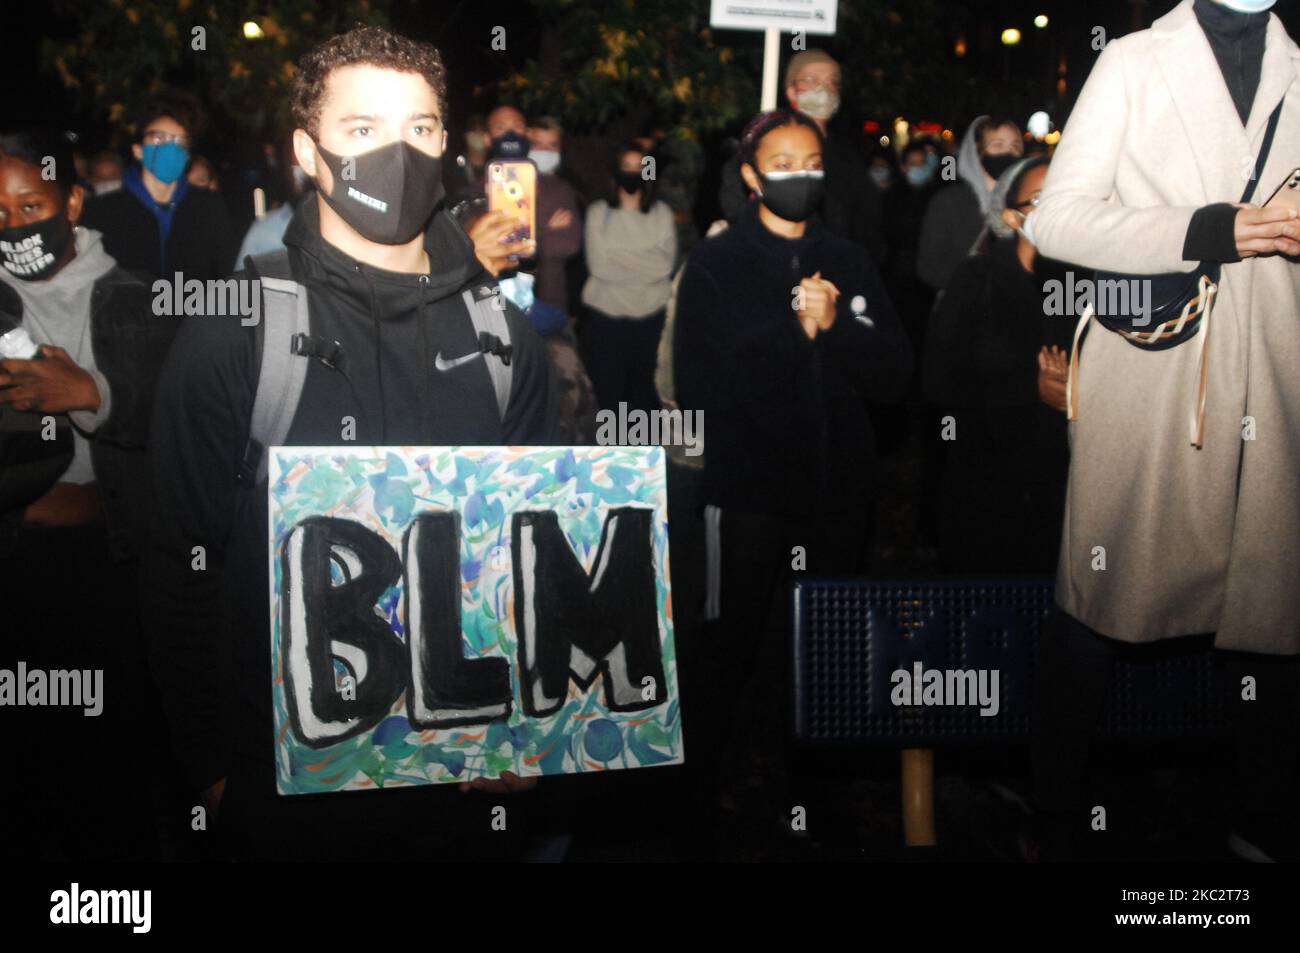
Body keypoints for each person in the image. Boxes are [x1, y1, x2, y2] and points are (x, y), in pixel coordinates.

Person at [141, 26, 560, 862]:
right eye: (362, 130)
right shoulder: (237, 331)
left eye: (421, 128)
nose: (397, 152)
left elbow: (530, 552)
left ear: (447, 145)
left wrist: (524, 722)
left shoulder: (504, 336)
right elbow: (176, 560)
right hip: (290, 792)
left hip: (459, 786)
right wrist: (214, 767)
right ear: (307, 149)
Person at [1026, 0, 1300, 862]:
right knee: (1101, 600)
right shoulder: (1137, 60)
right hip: (1157, 372)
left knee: (1266, 620)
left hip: (1279, 370)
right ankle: (1060, 824)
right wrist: (1210, 229)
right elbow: (1055, 219)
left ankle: (1240, 833)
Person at [674, 110, 911, 842]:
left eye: (811, 162)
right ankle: (698, 800)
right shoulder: (717, 263)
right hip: (748, 496)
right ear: (750, 176)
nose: (798, 176)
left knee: (822, 646)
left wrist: (839, 328)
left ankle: (810, 794)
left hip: (836, 497)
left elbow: (897, 376)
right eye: (781, 162)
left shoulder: (847, 258)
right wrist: (793, 332)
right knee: (728, 647)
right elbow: (698, 386)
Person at [0, 129, 178, 859]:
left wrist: (92, 392)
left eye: (30, 204)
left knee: (111, 775)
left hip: (108, 575)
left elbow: (181, 427)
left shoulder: (135, 299)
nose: (14, 227)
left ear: (71, 201)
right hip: (13, 568)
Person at [922, 156, 1072, 574]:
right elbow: (938, 381)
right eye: (1043, 200)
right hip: (984, 490)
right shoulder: (976, 280)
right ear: (1012, 215)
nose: (1058, 211)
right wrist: (1030, 388)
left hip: (1064, 496)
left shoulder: (1091, 287)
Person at [719, 50, 886, 262]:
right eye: (811, 80)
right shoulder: (763, 145)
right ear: (791, 91)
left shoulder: (849, 156)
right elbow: (737, 205)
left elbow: (867, 224)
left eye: (832, 81)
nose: (823, 88)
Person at [81, 97, 236, 281]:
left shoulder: (208, 207)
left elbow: (228, 275)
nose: (170, 148)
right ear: (138, 149)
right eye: (158, 138)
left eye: (180, 142)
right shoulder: (102, 212)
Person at [580, 143, 676, 415]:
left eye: (640, 167)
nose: (633, 173)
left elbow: (664, 267)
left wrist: (619, 256)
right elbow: (599, 266)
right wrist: (646, 258)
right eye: (627, 167)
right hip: (606, 318)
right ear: (616, 172)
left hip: (652, 317)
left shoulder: (662, 213)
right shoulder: (599, 212)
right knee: (607, 396)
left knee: (648, 397)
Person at [916, 115, 1023, 293]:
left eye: (1015, 146)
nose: (1009, 153)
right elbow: (928, 267)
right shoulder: (949, 202)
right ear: (977, 153)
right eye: (998, 145)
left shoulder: (1024, 201)